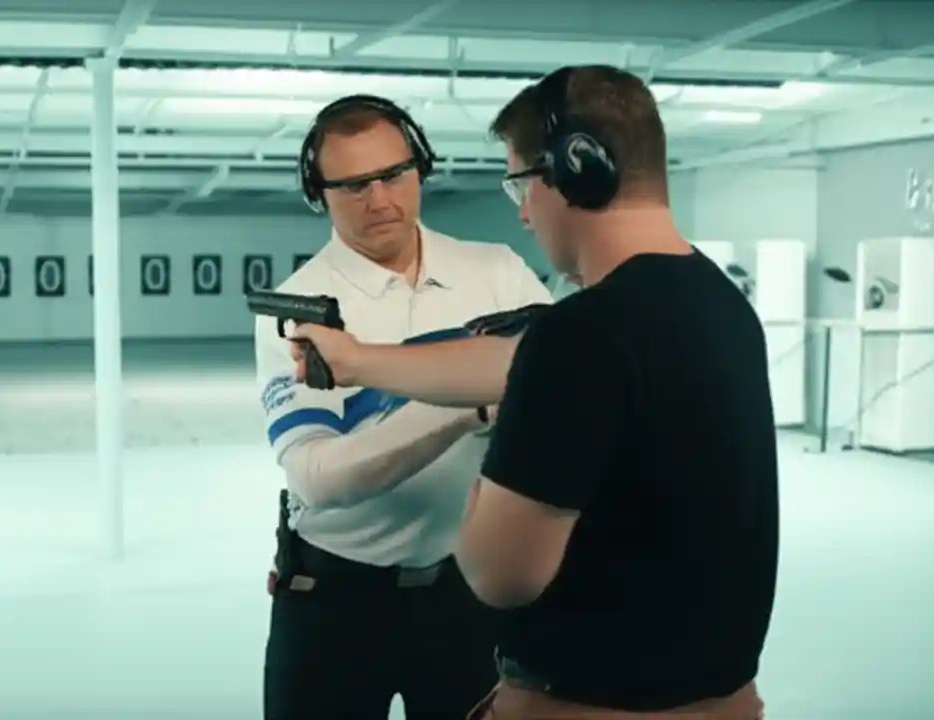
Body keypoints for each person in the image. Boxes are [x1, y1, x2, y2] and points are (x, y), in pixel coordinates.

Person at [288, 65, 778, 719]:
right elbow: (529, 362)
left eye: (521, 182)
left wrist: (485, 472)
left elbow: (496, 573)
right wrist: (359, 362)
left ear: (576, 170)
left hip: (591, 701)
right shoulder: (720, 305)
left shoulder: (579, 334)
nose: (522, 210)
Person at [254, 94, 556, 719]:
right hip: (331, 598)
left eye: (393, 174)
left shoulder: (496, 271)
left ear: (420, 167)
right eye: (353, 185)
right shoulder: (299, 304)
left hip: (466, 592)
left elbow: (566, 399)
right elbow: (319, 475)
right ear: (320, 196)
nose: (379, 199)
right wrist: (469, 401)